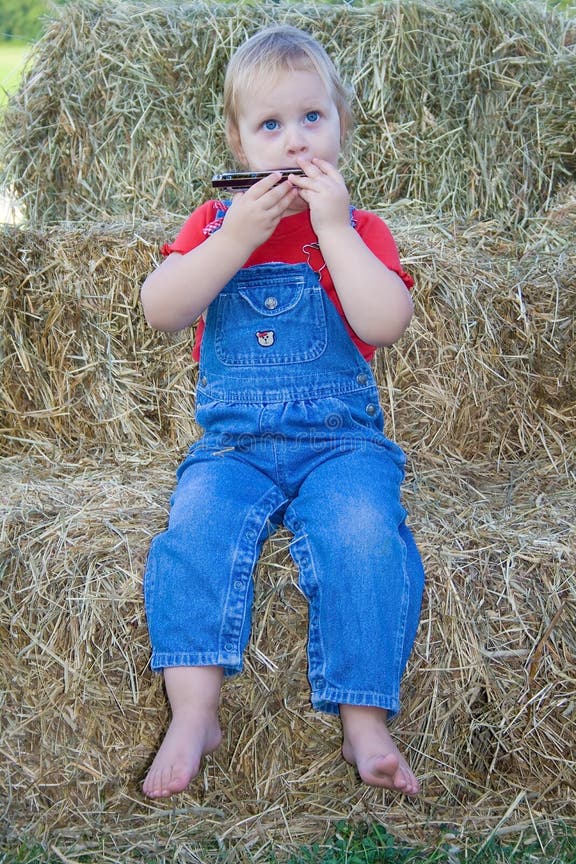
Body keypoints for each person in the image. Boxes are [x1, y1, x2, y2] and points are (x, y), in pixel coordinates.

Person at [140, 24, 425, 800]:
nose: (294, 142)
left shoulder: (360, 230)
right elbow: (160, 308)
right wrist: (233, 241)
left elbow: (384, 322)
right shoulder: (212, 225)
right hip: (234, 448)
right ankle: (195, 711)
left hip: (341, 447)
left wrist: (332, 230)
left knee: (365, 537)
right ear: (237, 141)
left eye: (311, 119)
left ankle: (365, 720)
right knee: (192, 533)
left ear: (342, 126)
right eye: (270, 126)